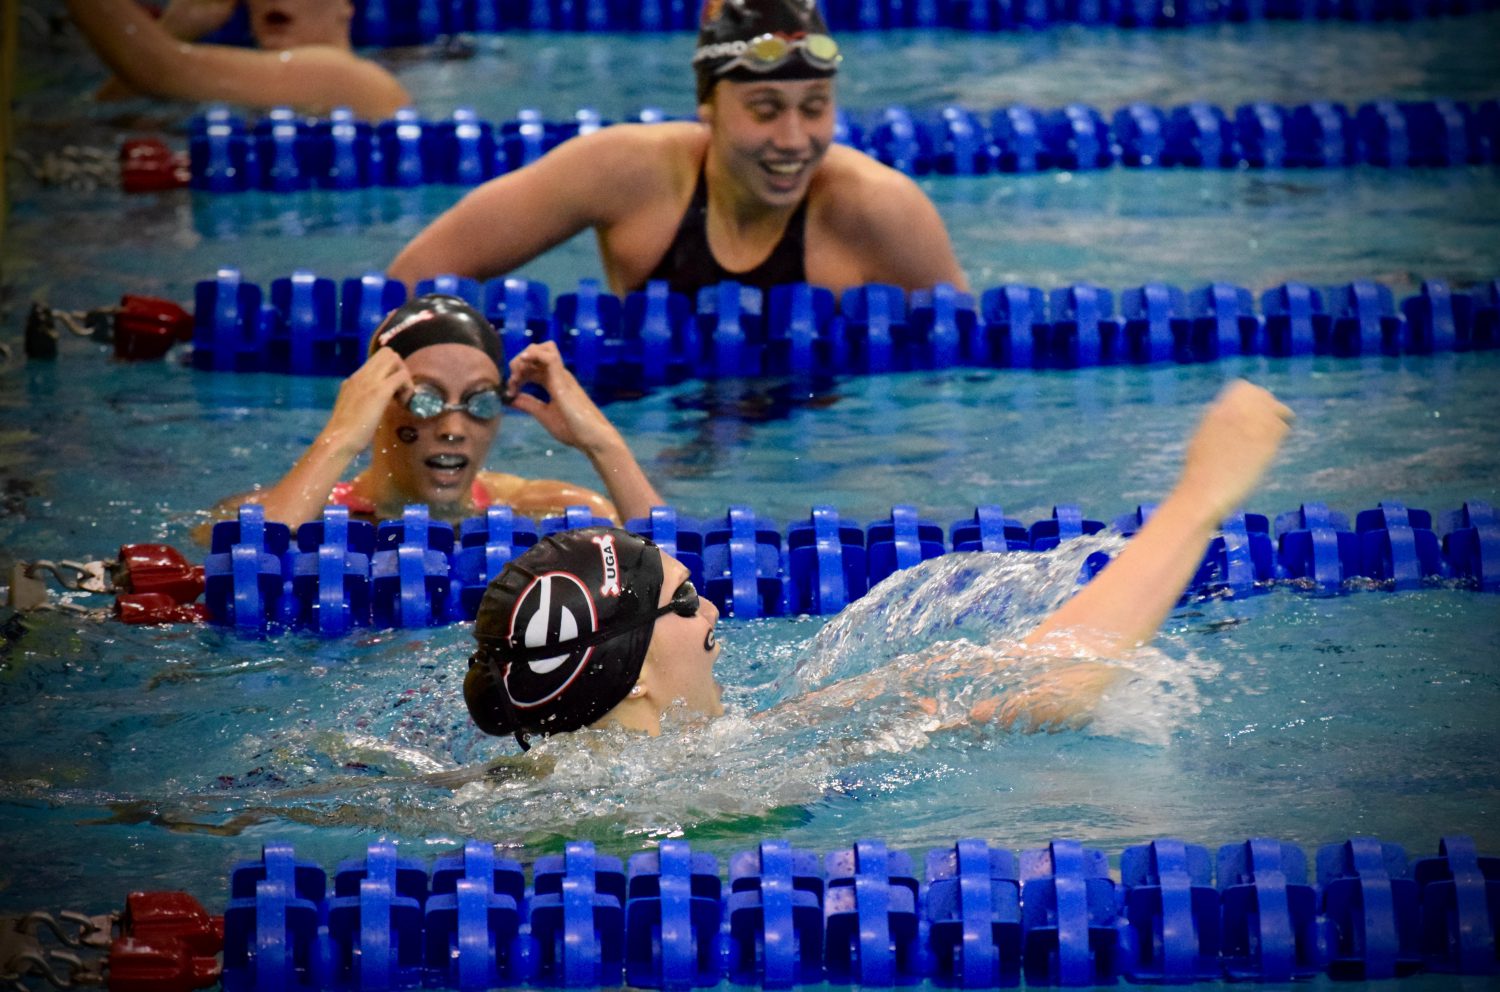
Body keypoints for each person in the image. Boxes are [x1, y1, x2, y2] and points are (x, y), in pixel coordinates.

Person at [463, 379, 1295, 749]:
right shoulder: (731, 777)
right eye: (687, 605)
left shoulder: (524, 787)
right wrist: (1201, 498)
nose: (714, 613)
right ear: (629, 675)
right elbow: (1059, 683)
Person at [387, 0, 966, 301]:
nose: (793, 140)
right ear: (708, 107)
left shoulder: (880, 209)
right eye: (765, 110)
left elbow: (964, 375)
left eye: (814, 108)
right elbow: (414, 278)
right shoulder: (623, 171)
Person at [208, 294, 663, 535]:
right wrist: (341, 439)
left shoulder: (548, 511)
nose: (452, 430)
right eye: (425, 400)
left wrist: (604, 443)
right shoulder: (271, 513)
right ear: (376, 404)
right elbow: (249, 561)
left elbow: (678, 576)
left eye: (480, 402)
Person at [63, 0, 410, 120]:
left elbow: (160, 69)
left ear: (346, 4)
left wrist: (171, 39)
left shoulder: (342, 75)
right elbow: (104, 115)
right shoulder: (263, 85)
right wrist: (178, 27)